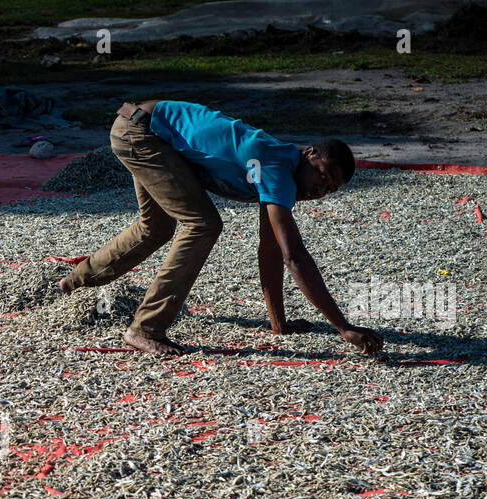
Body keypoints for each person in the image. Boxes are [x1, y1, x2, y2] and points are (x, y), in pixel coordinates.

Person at [59, 100, 384, 358]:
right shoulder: (275, 167)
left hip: (145, 130)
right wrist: (343, 327)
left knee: (156, 227)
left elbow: (271, 252)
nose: (319, 189)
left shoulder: (281, 171)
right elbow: (294, 257)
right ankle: (145, 329)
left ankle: (71, 285)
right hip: (143, 133)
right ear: (309, 153)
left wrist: (279, 325)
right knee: (203, 224)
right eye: (322, 176)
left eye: (329, 189)